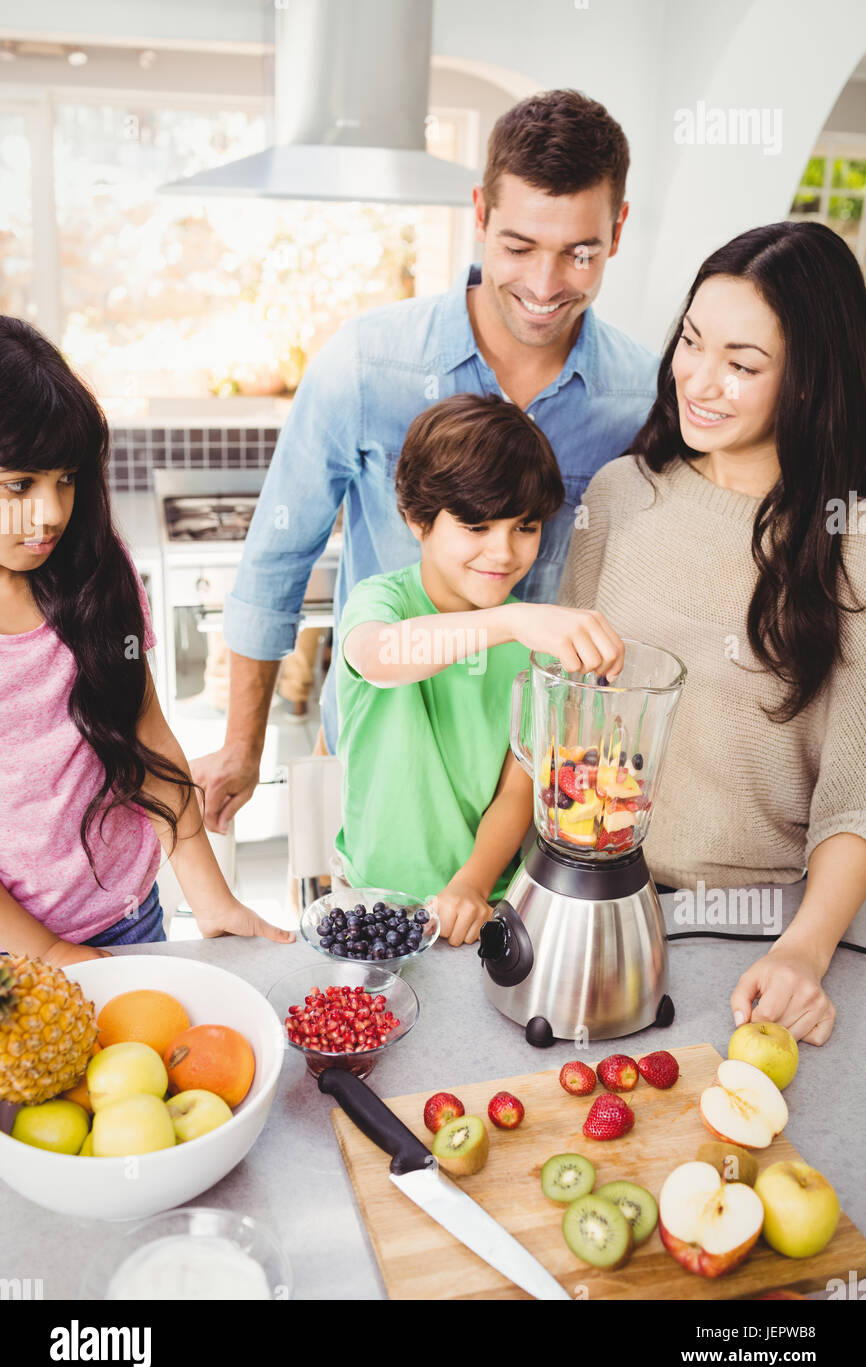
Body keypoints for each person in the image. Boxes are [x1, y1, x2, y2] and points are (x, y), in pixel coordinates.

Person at [192, 88, 657, 833]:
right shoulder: (367, 364)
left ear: (618, 229)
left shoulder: (641, 399)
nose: (544, 286)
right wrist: (241, 747)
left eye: (579, 252)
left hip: (535, 785)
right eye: (517, 246)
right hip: (382, 768)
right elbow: (277, 558)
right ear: (479, 213)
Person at [557, 221, 866, 1044]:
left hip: (760, 937)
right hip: (593, 911)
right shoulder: (621, 494)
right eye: (692, 341)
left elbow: (855, 798)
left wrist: (802, 954)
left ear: (810, 380)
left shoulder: (849, 542)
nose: (699, 379)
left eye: (742, 364)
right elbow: (563, 713)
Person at [0, 318, 295, 966]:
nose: (50, 511)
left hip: (129, 922)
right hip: (15, 956)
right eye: (19, 484)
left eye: (66, 479)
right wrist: (49, 950)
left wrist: (211, 898)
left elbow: (147, 738)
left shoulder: (100, 574)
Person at [334, 393, 625, 946]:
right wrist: (511, 620)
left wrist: (471, 884)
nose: (504, 552)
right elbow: (381, 658)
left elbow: (518, 792)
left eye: (526, 526)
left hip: (489, 898)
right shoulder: (383, 603)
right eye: (476, 527)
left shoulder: (535, 642)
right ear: (418, 520)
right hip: (373, 896)